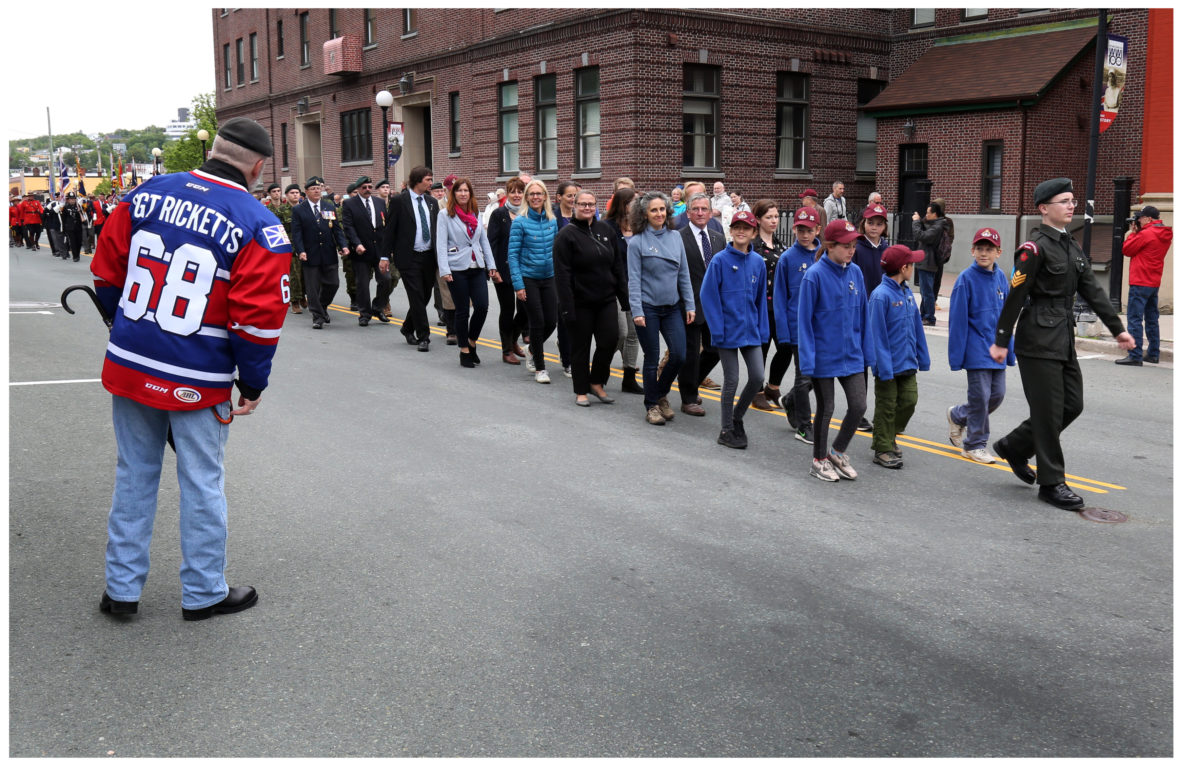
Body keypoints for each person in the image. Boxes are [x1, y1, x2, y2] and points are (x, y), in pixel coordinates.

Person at [91, 117, 290, 621]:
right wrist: (254, 380)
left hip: (133, 362)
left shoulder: (147, 192)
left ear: (214, 149)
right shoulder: (259, 222)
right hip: (196, 375)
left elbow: (106, 269)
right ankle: (203, 591)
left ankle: (121, 591)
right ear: (258, 166)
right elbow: (258, 319)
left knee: (134, 474)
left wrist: (125, 323)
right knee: (202, 480)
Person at [989, 178, 1134, 511]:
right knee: (1048, 412)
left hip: (1062, 337)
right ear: (1044, 209)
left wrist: (1117, 330)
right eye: (1064, 201)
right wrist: (1001, 339)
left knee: (1072, 404)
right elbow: (1016, 295)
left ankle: (1014, 445)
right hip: (1037, 338)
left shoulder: (1071, 246)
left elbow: (1093, 292)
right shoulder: (1034, 249)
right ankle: (1052, 483)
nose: (1072, 206)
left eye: (1072, 200)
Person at [797, 219, 873, 482]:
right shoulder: (814, 276)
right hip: (823, 356)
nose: (851, 250)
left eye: (854, 245)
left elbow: (863, 315)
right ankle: (818, 460)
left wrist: (867, 352)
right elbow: (804, 322)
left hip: (851, 355)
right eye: (846, 246)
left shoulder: (856, 273)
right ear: (830, 245)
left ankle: (837, 451)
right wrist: (808, 360)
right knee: (826, 408)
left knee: (859, 406)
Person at [699, 210, 769, 449]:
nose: (741, 231)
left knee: (758, 376)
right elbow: (708, 296)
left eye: (746, 228)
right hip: (727, 332)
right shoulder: (720, 260)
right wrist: (717, 330)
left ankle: (736, 417)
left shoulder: (758, 262)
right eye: (737, 227)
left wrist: (762, 329)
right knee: (732, 380)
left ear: (753, 232)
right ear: (731, 230)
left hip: (751, 332)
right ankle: (726, 428)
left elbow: (761, 300)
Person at [946, 227, 1015, 463]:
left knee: (997, 395)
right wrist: (957, 356)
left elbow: (1007, 317)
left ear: (999, 252)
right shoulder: (965, 279)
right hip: (976, 349)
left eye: (989, 249)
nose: (984, 253)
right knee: (981, 397)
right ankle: (974, 444)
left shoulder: (1001, 278)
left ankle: (958, 415)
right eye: (980, 249)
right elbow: (957, 321)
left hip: (997, 349)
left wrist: (1010, 349)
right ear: (972, 250)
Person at [554, 189, 628, 406]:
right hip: (579, 302)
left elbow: (617, 266)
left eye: (591, 204)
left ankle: (596, 382)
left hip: (605, 299)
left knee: (609, 341)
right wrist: (567, 308)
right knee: (581, 347)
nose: (587, 208)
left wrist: (624, 299)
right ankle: (581, 390)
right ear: (574, 206)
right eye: (583, 204)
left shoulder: (605, 229)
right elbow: (562, 275)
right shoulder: (565, 236)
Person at [628, 190, 695, 425]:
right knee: (651, 358)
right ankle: (652, 406)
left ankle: (660, 394)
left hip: (673, 307)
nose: (659, 213)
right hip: (648, 308)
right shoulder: (636, 242)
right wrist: (637, 311)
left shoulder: (676, 238)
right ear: (644, 214)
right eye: (653, 210)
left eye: (662, 209)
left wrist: (690, 304)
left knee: (679, 354)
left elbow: (684, 274)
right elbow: (633, 280)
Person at [866, 244, 930, 469]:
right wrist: (883, 367)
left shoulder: (907, 293)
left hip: (907, 361)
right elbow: (877, 336)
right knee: (887, 405)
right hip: (888, 366)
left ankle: (887, 433)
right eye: (912, 264)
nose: (914, 267)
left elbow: (916, 328)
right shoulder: (880, 296)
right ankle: (882, 448)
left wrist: (923, 356)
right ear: (904, 268)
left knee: (909, 401)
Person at [436, 178, 499, 368]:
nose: (463, 194)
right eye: (459, 191)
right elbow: (440, 244)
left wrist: (491, 264)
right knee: (462, 311)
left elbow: (483, 241)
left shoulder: (475, 213)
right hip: (456, 267)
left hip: (477, 266)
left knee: (482, 306)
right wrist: (444, 270)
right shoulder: (445, 215)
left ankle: (471, 341)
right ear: (453, 194)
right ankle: (464, 349)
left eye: (466, 191)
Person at [771, 207, 820, 444]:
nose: (804, 234)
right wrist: (783, 332)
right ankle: (804, 425)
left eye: (809, 230)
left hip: (820, 328)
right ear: (794, 229)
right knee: (804, 376)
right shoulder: (788, 258)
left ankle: (790, 400)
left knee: (817, 376)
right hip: (797, 328)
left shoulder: (824, 254)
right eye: (800, 229)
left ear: (817, 230)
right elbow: (780, 297)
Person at [676, 192, 727, 416]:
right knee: (689, 353)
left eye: (704, 209)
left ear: (710, 212)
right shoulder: (678, 237)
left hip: (713, 306)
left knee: (715, 349)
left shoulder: (718, 238)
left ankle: (691, 383)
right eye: (695, 209)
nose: (699, 213)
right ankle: (688, 399)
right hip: (688, 304)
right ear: (688, 213)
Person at [382, 166, 440, 351]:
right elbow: (390, 231)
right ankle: (424, 336)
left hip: (429, 256)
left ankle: (407, 327)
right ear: (417, 180)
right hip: (409, 257)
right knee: (416, 295)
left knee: (424, 296)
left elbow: (437, 228)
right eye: (428, 180)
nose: (431, 183)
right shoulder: (400, 201)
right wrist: (384, 256)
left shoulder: (431, 202)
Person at [507, 178, 559, 383]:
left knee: (551, 321)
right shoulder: (520, 221)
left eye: (539, 193)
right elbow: (513, 255)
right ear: (527, 197)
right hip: (528, 278)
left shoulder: (551, 220)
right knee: (536, 322)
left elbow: (557, 251)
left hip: (549, 278)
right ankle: (540, 368)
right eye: (532, 194)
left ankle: (532, 348)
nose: (536, 197)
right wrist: (518, 285)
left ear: (545, 196)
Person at [290, 176, 348, 329]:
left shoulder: (328, 206)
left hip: (328, 252)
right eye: (313, 189)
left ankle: (322, 306)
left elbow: (336, 229)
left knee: (333, 283)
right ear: (306, 192)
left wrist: (343, 245)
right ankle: (317, 316)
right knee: (312, 288)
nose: (317, 191)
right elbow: (297, 233)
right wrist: (300, 251)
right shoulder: (298, 209)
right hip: (310, 253)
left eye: (319, 188)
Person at [1116, 205, 1171, 366]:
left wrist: (1133, 233)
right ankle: (1153, 354)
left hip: (1140, 281)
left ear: (1148, 219)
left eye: (1140, 218)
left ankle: (1135, 355)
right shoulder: (1165, 233)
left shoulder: (1146, 234)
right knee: (1152, 319)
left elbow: (1127, 250)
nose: (1138, 220)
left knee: (1134, 319)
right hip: (1153, 281)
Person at [748, 199, 788, 412]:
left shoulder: (781, 245)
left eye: (775, 216)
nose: (773, 220)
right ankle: (757, 392)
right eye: (768, 217)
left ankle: (773, 386)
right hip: (760, 306)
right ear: (758, 220)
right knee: (761, 349)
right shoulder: (753, 246)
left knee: (786, 347)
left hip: (779, 306)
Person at [603, 186, 643, 394]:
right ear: (622, 204)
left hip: (636, 286)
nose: (637, 206)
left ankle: (629, 378)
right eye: (632, 202)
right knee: (620, 332)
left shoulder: (639, 227)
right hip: (615, 286)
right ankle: (602, 369)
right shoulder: (607, 227)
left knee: (634, 333)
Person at [487, 176, 530, 365]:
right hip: (503, 269)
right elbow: (492, 243)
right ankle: (506, 350)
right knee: (507, 309)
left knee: (526, 309)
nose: (516, 195)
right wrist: (493, 269)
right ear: (507, 193)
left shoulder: (529, 214)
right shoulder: (499, 214)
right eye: (513, 191)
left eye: (520, 191)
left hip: (525, 269)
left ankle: (513, 339)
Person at [341, 176, 392, 326]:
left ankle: (377, 307)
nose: (367, 190)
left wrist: (388, 248)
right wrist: (356, 244)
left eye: (370, 187)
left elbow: (386, 225)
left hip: (379, 250)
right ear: (357, 189)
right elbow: (348, 226)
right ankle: (364, 313)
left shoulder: (380, 202)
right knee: (362, 284)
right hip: (361, 251)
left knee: (386, 279)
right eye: (364, 187)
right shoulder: (350, 204)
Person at [911, 201, 950, 326]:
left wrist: (916, 221)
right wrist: (921, 220)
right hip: (928, 262)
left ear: (935, 214)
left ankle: (929, 317)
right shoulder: (935, 224)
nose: (926, 215)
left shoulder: (937, 227)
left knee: (927, 292)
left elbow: (920, 235)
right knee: (925, 291)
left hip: (929, 263)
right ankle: (923, 315)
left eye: (928, 213)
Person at [279, 184, 306, 315]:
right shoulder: (282, 210)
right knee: (294, 274)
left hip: (306, 245)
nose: (295, 195)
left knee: (306, 273)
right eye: (292, 193)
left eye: (297, 192)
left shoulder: (305, 208)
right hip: (291, 245)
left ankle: (303, 296)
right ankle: (294, 300)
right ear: (287, 195)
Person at [853, 202, 889, 296]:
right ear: (863, 223)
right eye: (870, 223)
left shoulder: (887, 249)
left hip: (882, 300)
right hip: (862, 299)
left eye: (879, 224)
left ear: (885, 226)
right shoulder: (855, 248)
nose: (874, 227)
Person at [60, 192, 85, 262]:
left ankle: (78, 254)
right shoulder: (65, 207)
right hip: (70, 228)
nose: (72, 200)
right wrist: (64, 229)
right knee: (73, 242)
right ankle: (75, 256)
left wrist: (80, 211)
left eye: (73, 199)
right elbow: (63, 219)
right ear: (68, 200)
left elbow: (83, 215)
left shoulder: (78, 206)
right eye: (71, 199)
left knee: (79, 242)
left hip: (78, 227)